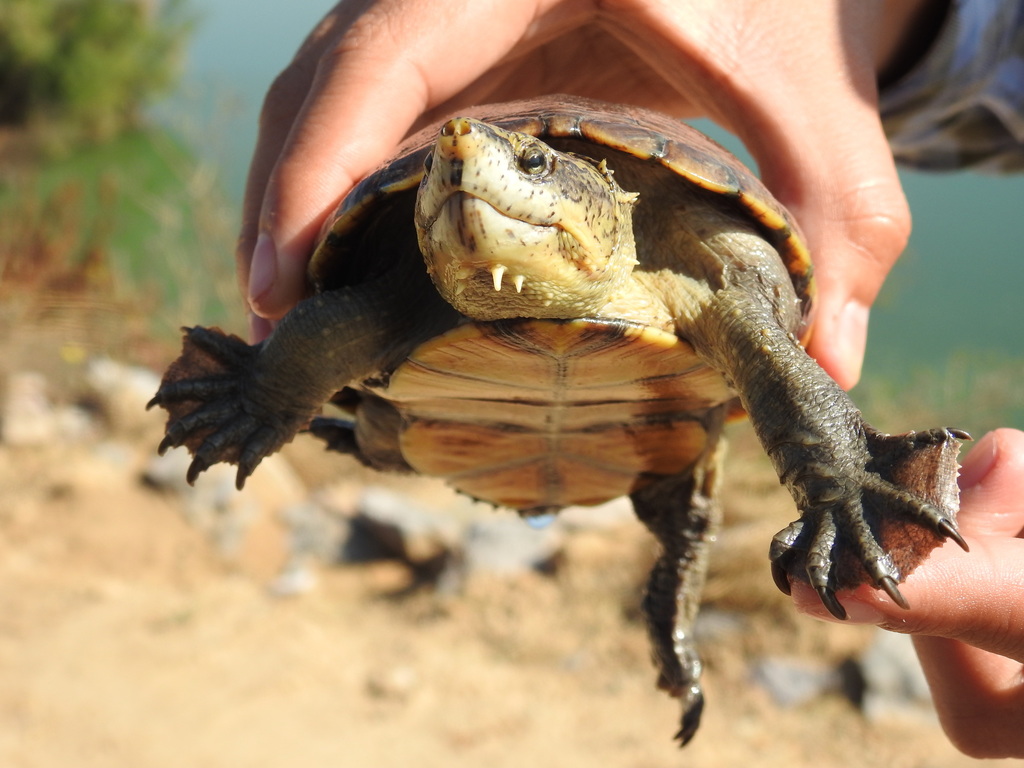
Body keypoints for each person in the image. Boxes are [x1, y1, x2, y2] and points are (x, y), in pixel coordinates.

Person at [236, 0, 1024, 757]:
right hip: (447, 427)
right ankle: (355, 436)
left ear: (599, 196)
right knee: (343, 403)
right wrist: (266, 398)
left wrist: (836, 473)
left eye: (533, 165)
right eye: (445, 170)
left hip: (639, 438)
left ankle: (699, 590)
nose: (466, 166)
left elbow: (767, 336)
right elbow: (322, 332)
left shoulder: (695, 248)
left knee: (687, 512)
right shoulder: (398, 279)